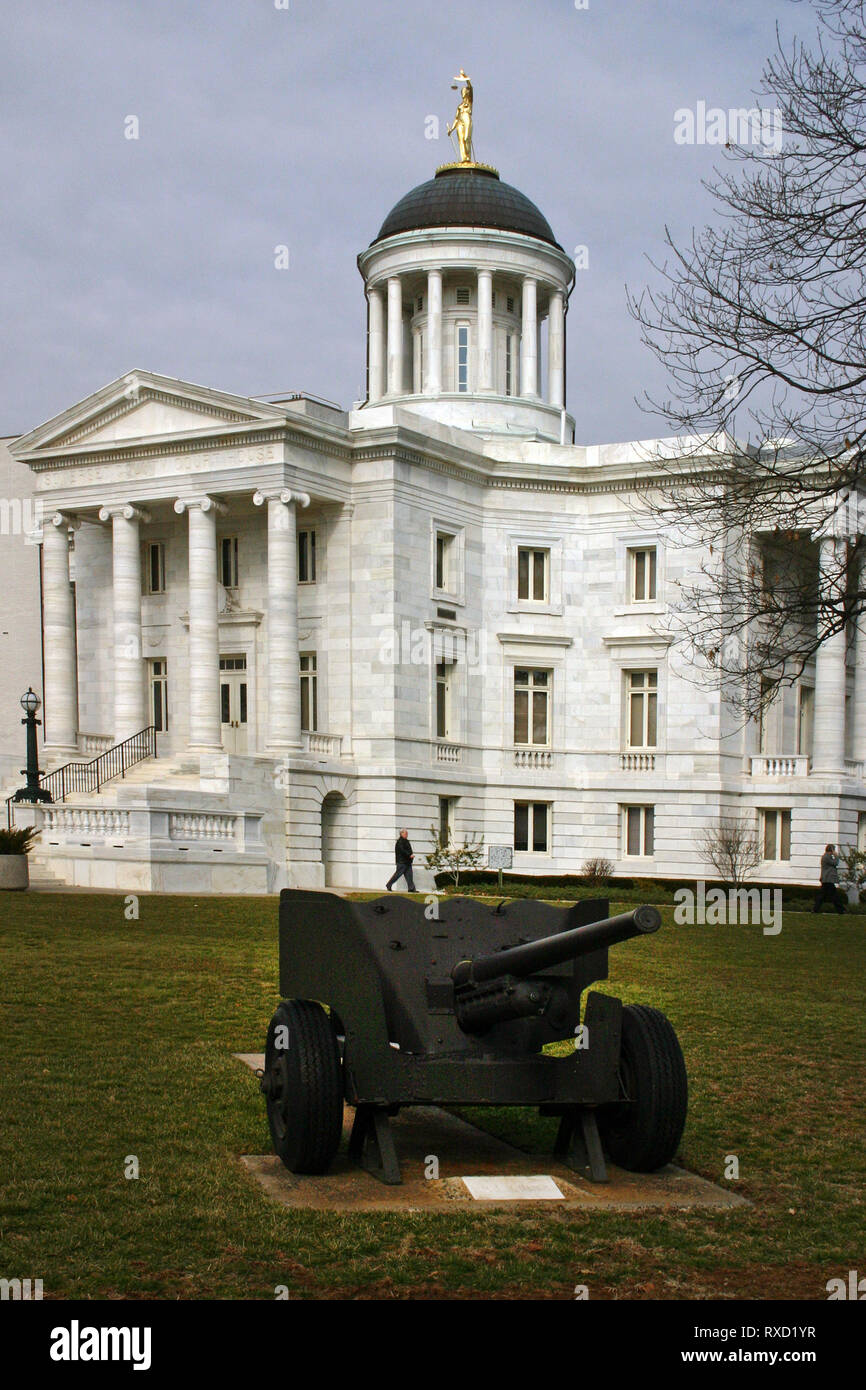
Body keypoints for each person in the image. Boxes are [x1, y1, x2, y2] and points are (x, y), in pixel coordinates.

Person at [813, 844, 845, 914]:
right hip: (828, 879)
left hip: (827, 879)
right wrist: (836, 856)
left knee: (822, 895)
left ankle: (816, 909)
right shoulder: (827, 857)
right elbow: (835, 863)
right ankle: (840, 910)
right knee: (833, 895)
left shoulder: (826, 856)